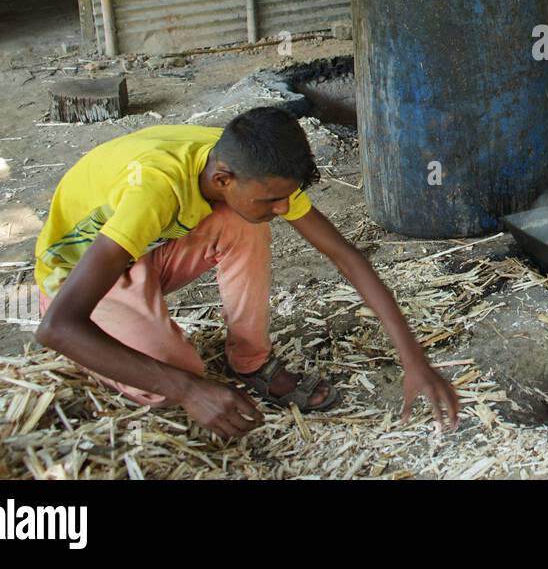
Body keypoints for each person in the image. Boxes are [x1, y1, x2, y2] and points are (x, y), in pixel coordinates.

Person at [34, 106, 460, 439]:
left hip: (143, 251)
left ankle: (251, 362)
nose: (281, 209)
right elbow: (57, 328)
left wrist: (414, 359)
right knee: (171, 377)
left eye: (286, 199)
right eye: (272, 199)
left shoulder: (243, 163)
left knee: (244, 223)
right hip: (81, 276)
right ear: (222, 179)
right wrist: (187, 390)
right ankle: (122, 349)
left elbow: (346, 257)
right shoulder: (157, 189)